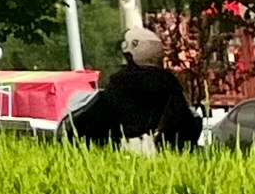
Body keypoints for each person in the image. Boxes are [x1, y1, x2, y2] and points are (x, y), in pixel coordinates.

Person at [68, 26, 201, 149]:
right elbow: (187, 124)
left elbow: (96, 122)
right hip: (166, 154)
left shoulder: (121, 82)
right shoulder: (170, 84)